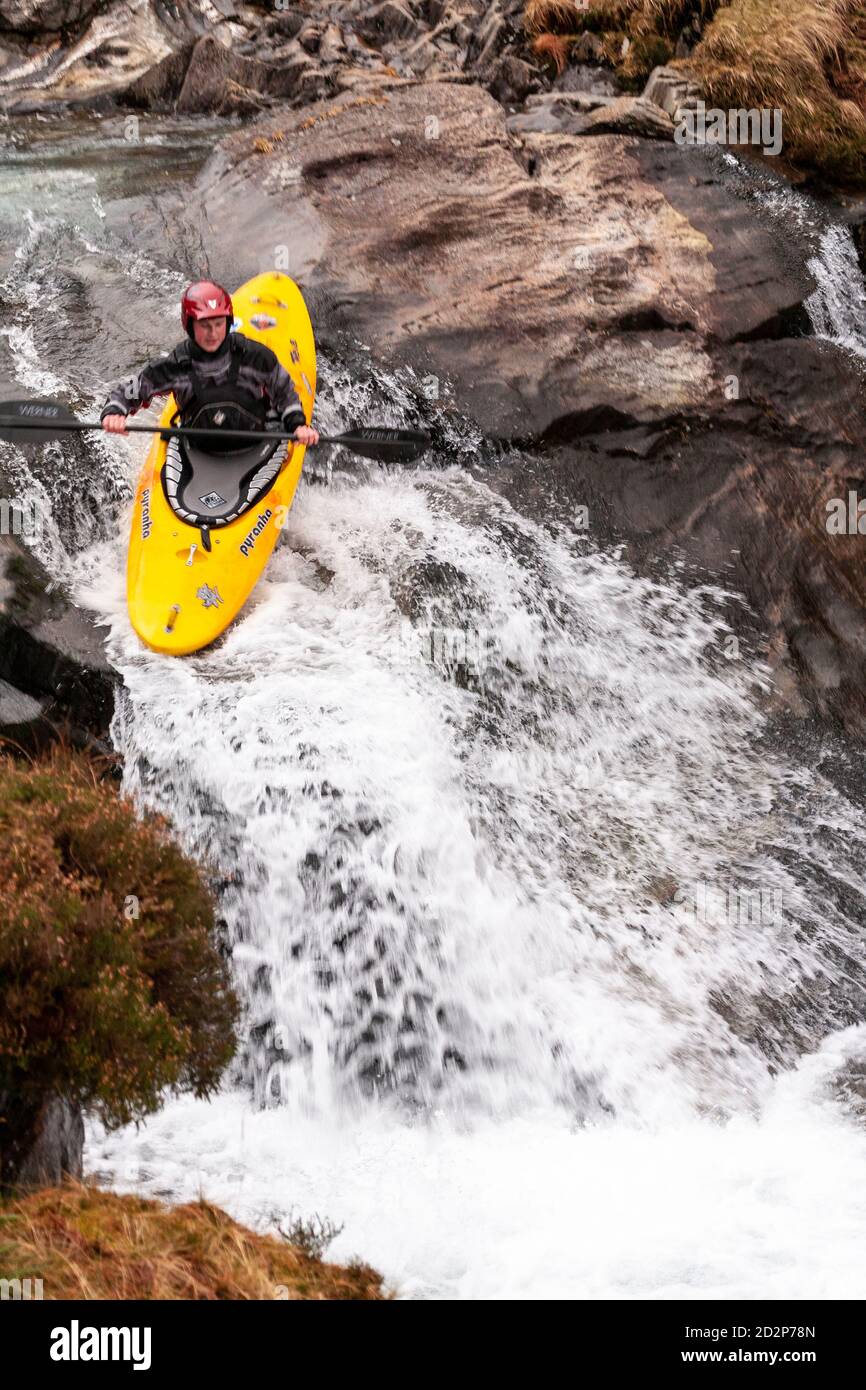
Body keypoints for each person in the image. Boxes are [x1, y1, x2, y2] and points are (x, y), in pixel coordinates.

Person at [100, 280, 319, 453]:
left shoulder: (256, 357)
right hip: (199, 448)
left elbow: (286, 394)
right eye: (205, 326)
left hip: (255, 443)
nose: (213, 334)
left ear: (228, 322)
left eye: (218, 324)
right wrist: (115, 412)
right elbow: (128, 392)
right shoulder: (176, 366)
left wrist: (297, 425)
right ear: (190, 325)